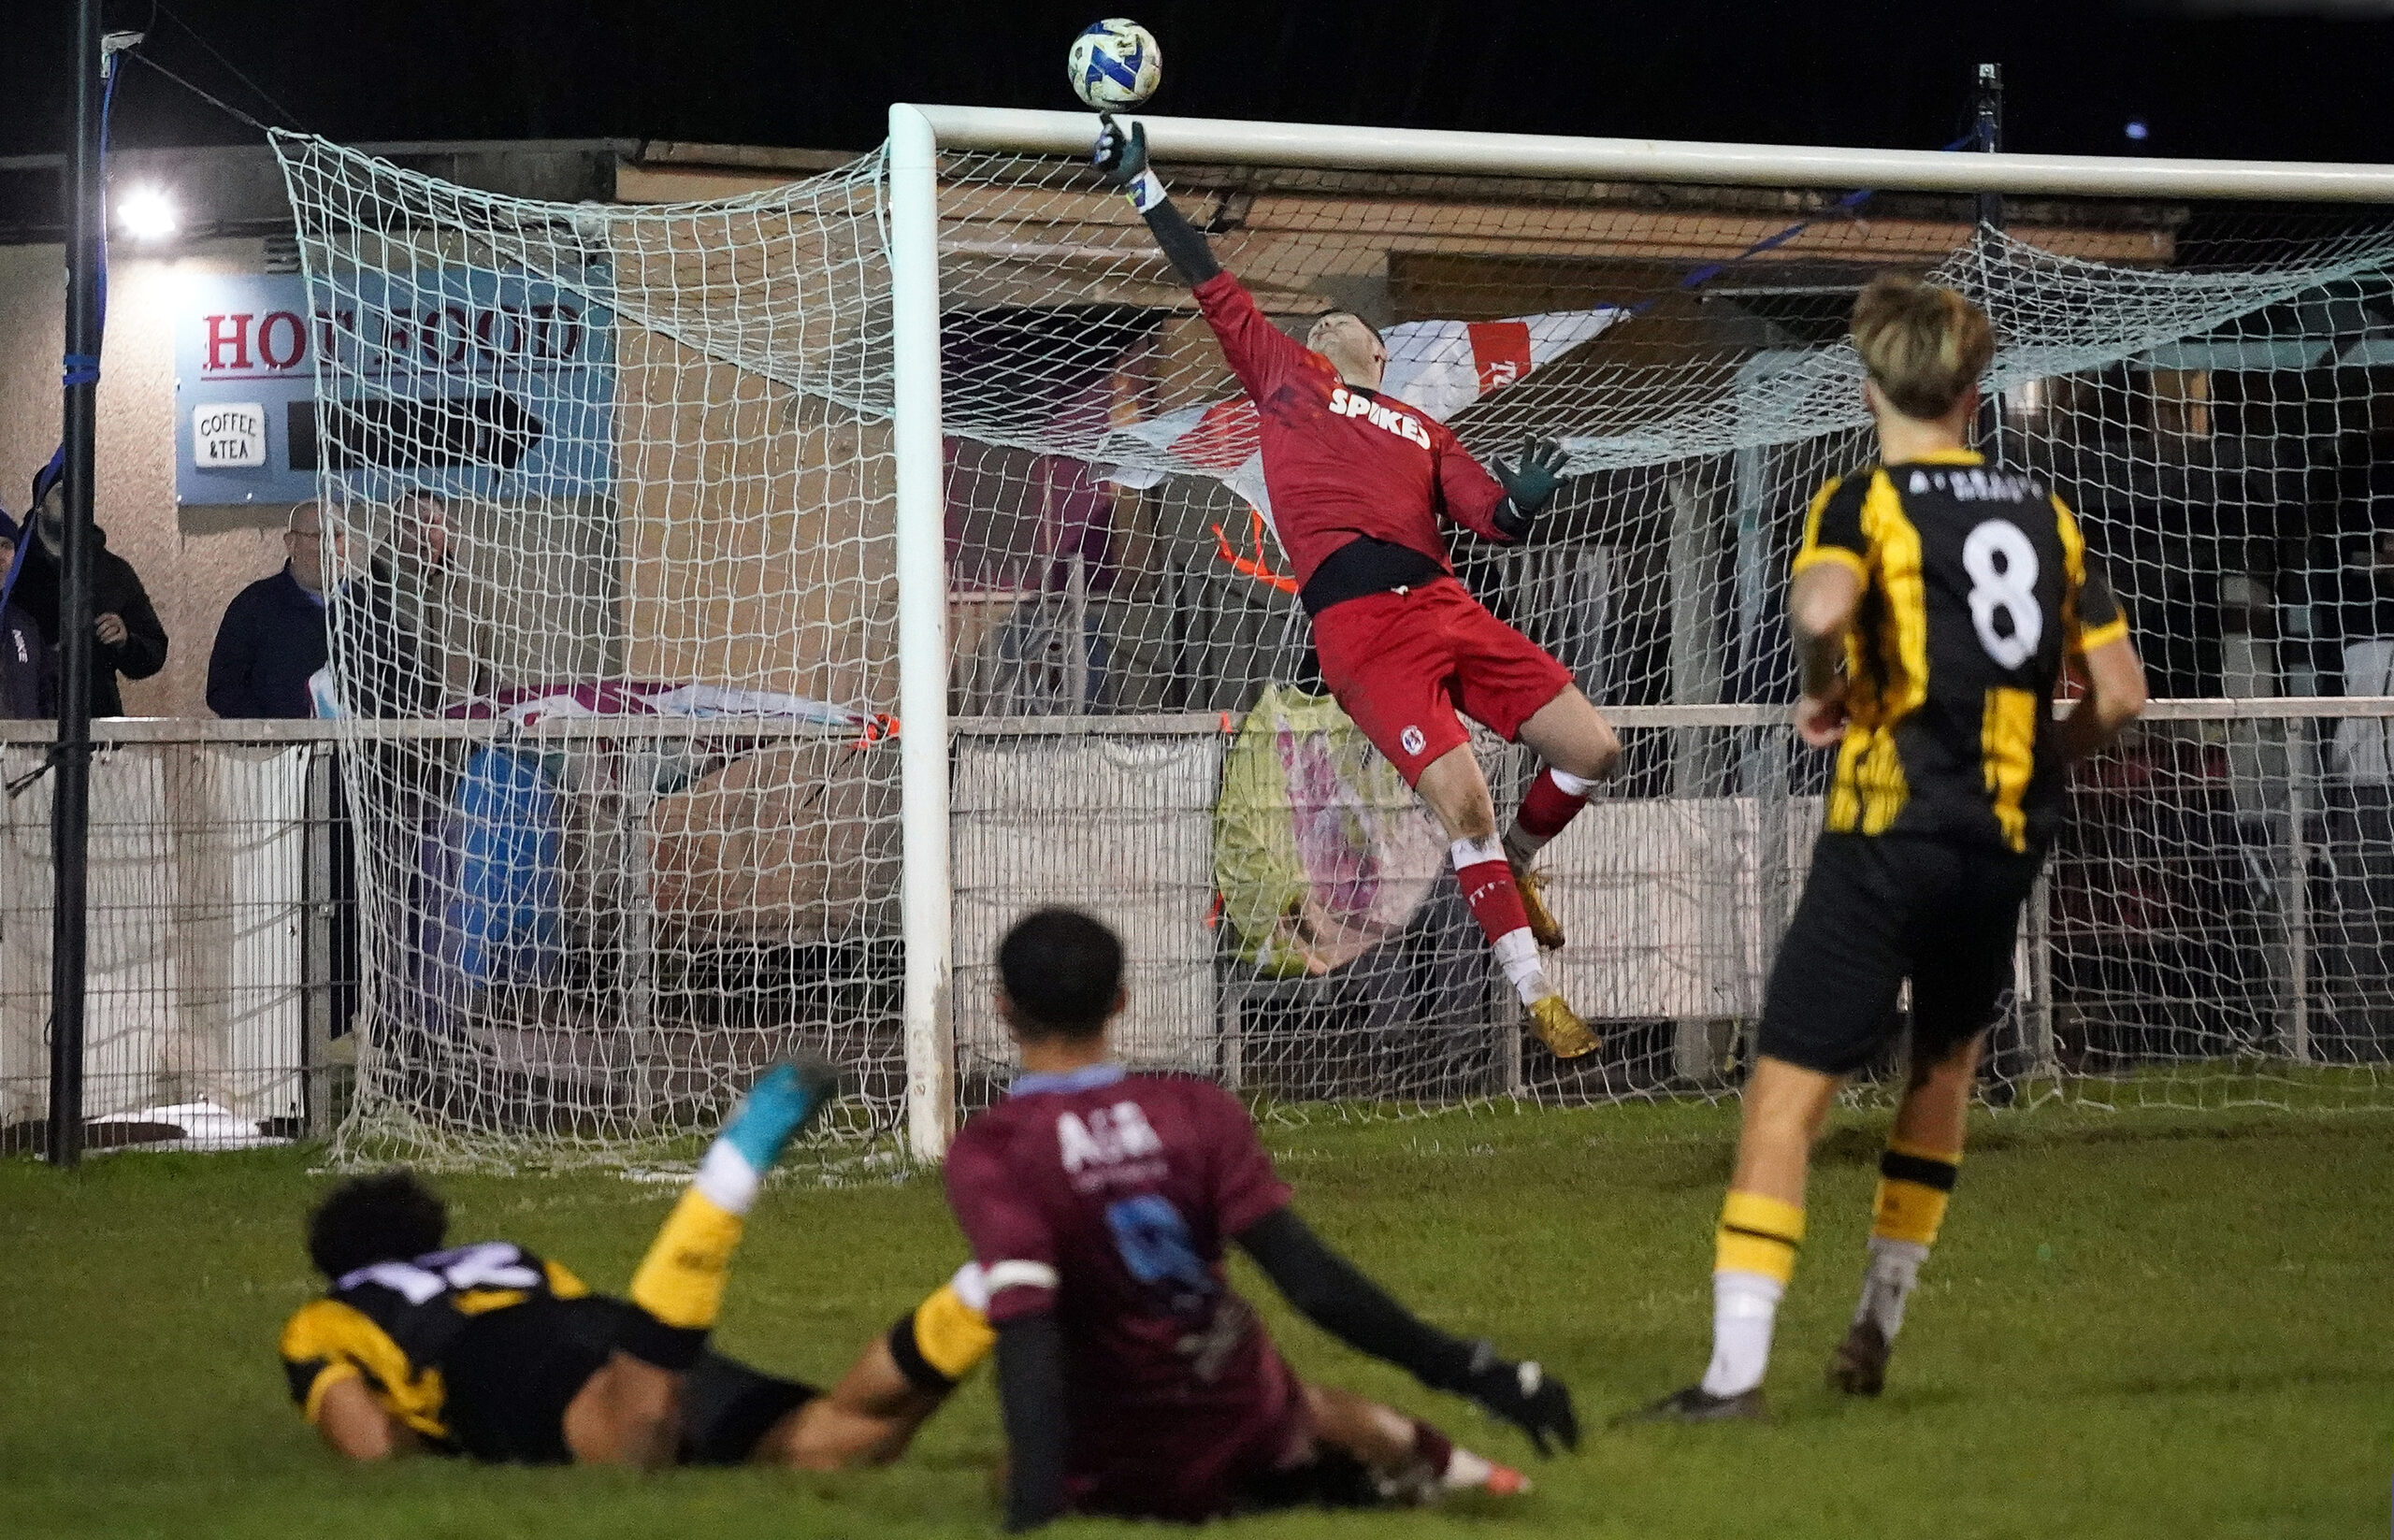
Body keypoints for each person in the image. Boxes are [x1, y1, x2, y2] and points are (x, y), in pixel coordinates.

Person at [1632, 274, 2149, 1422]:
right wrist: (2048, 752)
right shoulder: (2044, 516)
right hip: (2006, 839)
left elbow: (1820, 615)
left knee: (1782, 1102)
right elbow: (2118, 692)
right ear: (1973, 393)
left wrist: (1824, 692)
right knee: (1944, 1068)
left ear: (1870, 386)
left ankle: (1732, 1378)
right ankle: (1877, 1314)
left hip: (1886, 831)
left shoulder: (1860, 501)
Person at [1093, 115, 1621, 1058]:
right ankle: (1537, 995)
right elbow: (1210, 287)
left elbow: (1490, 520)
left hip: (1447, 604)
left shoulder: (1425, 429)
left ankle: (1526, 863)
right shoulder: (1286, 382)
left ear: (1379, 356)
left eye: (1346, 321)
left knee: (1595, 748)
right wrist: (1145, 186)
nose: (1326, 320)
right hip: (1363, 628)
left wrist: (1525, 504)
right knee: (1467, 807)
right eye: (1317, 320)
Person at [947, 907, 1578, 1530]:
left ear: (1003, 1007)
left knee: (1004, 1467)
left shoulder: (995, 1148)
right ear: (1120, 1001)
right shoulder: (1197, 1110)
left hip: (1110, 1456)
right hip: (1239, 1416)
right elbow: (1313, 1282)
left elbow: (1024, 1334)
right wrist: (1479, 1371)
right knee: (1313, 1403)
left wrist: (1030, 1513)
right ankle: (1446, 1468)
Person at [279, 1058, 965, 1466]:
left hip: (488, 1357)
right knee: (825, 1449)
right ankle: (978, 1299)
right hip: (599, 1317)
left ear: (337, 1263)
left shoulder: (326, 1316)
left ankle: (724, 1182)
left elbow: (367, 1444)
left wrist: (432, 1437)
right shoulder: (506, 1257)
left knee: (629, 1440)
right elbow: (578, 1324)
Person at [14, 464, 168, 718]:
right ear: (39, 505)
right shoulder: (14, 570)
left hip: (95, 721)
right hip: (24, 722)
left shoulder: (112, 572)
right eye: (63, 493)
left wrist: (126, 642)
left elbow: (154, 652)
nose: (74, 501)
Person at [207, 501, 331, 719]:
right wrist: (272, 731)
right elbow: (223, 688)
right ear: (291, 543)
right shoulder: (254, 606)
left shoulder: (368, 607)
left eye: (337, 536)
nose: (329, 546)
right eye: (318, 537)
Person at [0, 511, 53, 719]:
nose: (0, 557)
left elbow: (46, 697)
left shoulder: (25, 625)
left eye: (6, 546)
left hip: (23, 749)